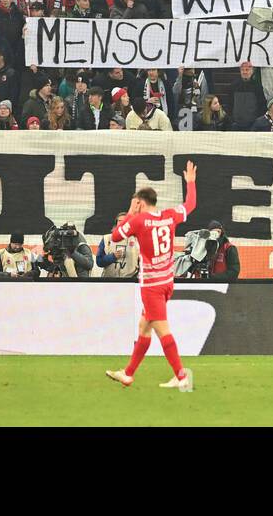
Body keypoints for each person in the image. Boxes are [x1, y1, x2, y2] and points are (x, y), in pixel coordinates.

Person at [105, 161, 198, 389]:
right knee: (144, 327)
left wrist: (130, 211)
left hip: (151, 285)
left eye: (137, 202)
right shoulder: (169, 216)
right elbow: (191, 204)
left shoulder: (137, 220)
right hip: (167, 281)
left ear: (140, 202)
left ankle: (182, 377)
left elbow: (115, 236)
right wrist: (191, 182)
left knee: (162, 330)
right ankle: (128, 373)